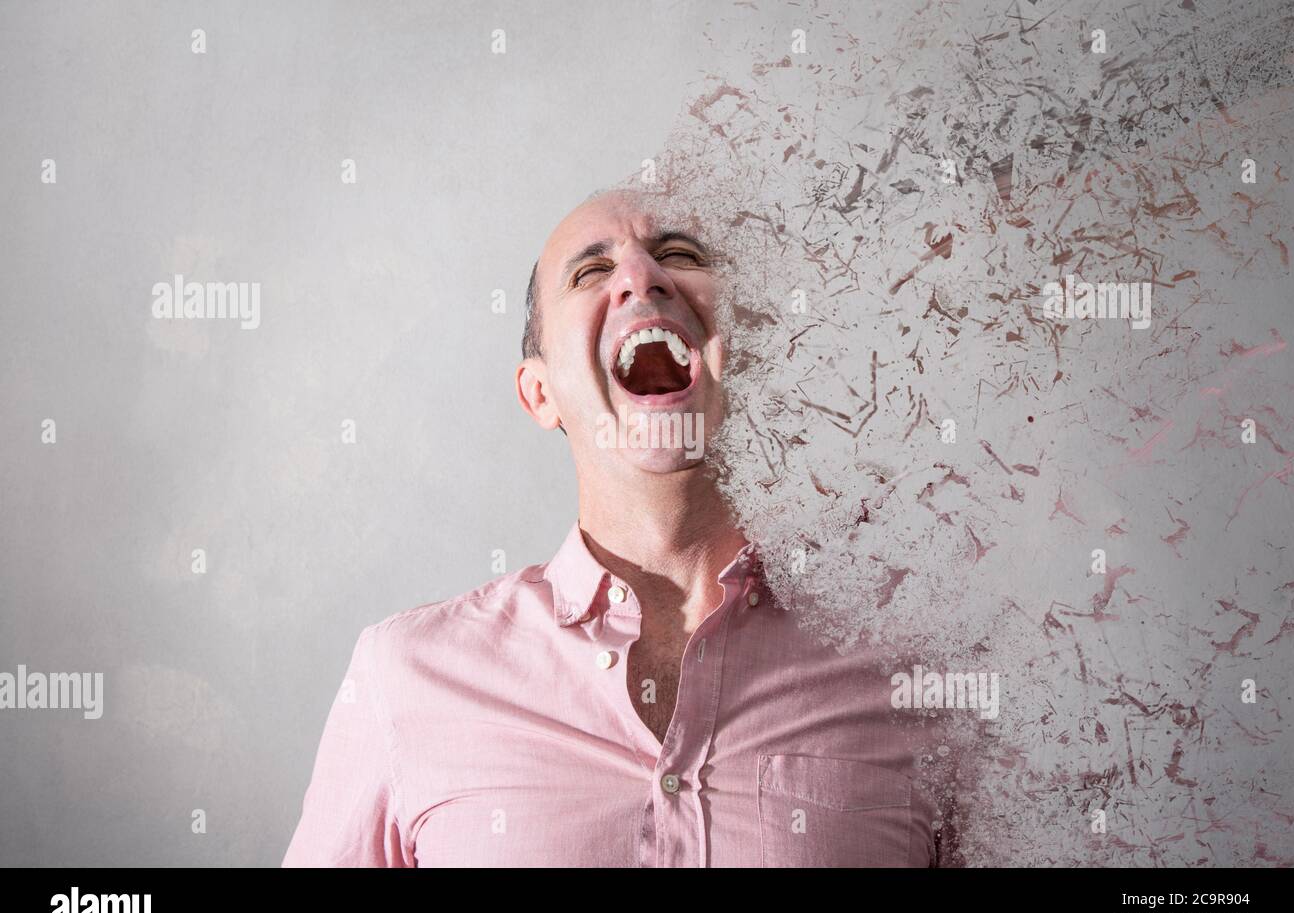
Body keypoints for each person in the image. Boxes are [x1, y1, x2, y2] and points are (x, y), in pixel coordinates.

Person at [282, 187, 948, 867]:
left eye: (680, 255)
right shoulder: (406, 675)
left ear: (750, 353)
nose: (642, 276)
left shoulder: (924, 667)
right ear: (541, 394)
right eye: (591, 272)